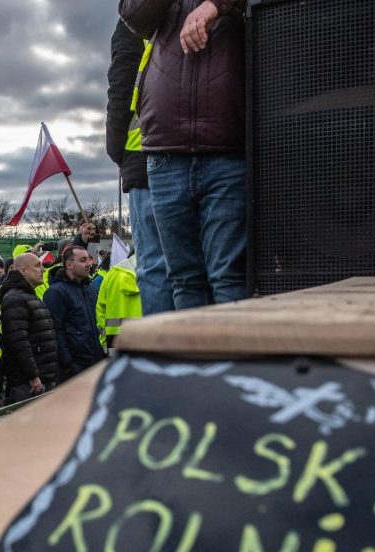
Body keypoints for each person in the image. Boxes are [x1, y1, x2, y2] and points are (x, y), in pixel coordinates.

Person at [120, 0, 249, 309]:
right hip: (165, 151)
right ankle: (194, 358)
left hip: (226, 148)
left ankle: (234, 358)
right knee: (183, 278)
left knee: (228, 275)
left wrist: (215, 6)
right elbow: (134, 14)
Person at [107, 19, 175, 315]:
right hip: (196, 153)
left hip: (142, 157)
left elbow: (120, 86)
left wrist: (117, 148)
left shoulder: (134, 20)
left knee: (155, 265)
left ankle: (163, 353)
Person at [0, 252, 60, 404]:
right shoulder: (15, 299)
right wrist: (33, 376)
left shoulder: (27, 296)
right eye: (37, 266)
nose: (43, 270)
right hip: (29, 384)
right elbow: (19, 342)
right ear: (23, 271)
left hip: (42, 377)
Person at [43, 244, 105, 380]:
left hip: (95, 362)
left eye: (89, 259)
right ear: (69, 264)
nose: (89, 263)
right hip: (73, 370)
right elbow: (55, 331)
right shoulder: (56, 292)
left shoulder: (90, 288)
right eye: (83, 260)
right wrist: (68, 363)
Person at [96, 255, 143, 351]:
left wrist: (105, 343)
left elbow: (100, 311)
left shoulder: (111, 275)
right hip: (146, 338)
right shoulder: (154, 273)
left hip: (114, 341)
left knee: (119, 366)